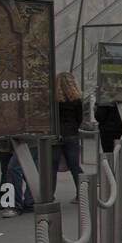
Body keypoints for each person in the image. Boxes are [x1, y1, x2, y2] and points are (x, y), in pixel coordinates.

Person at [53, 72, 84, 201]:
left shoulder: (55, 100)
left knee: (52, 166)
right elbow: (79, 118)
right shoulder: (76, 100)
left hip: (57, 134)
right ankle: (82, 192)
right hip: (71, 133)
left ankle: (49, 194)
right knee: (74, 165)